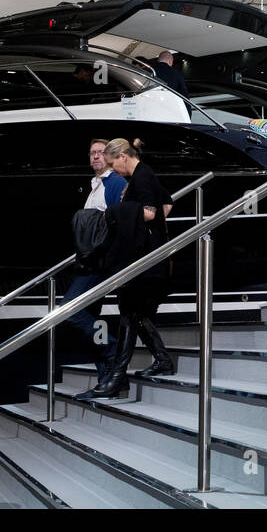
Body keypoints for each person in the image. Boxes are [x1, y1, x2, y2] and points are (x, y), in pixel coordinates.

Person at [76, 138, 177, 400]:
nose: (114, 171)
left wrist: (116, 211)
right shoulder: (144, 175)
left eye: (114, 164)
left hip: (143, 259)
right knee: (135, 313)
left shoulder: (141, 177)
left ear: (123, 156)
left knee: (129, 314)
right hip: (146, 256)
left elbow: (151, 213)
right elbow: (167, 203)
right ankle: (162, 360)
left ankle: (116, 377)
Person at [63, 139, 126, 377]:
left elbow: (117, 223)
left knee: (70, 310)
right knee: (90, 316)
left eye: (100, 153)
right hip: (90, 261)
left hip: (100, 263)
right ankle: (109, 377)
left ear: (111, 156)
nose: (96, 156)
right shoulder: (95, 185)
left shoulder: (115, 183)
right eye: (92, 153)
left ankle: (112, 349)